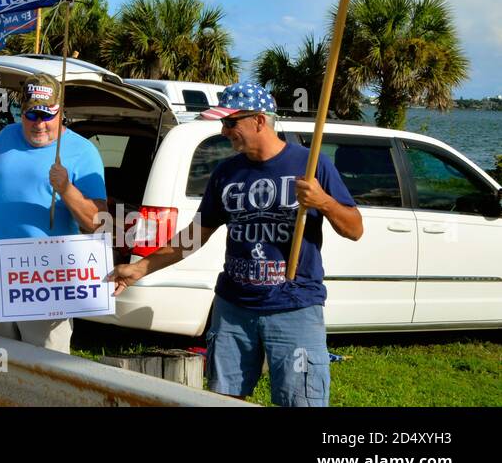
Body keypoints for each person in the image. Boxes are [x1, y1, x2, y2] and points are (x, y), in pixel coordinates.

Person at [109, 82, 363, 406]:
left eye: (231, 122)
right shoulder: (226, 173)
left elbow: (355, 229)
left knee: (301, 400)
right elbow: (196, 235)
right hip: (233, 309)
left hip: (295, 306)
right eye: (223, 123)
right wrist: (140, 268)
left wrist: (323, 201)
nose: (224, 131)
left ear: (259, 120)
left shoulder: (312, 165)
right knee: (224, 400)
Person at [0, 73, 107, 353]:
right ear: (21, 112)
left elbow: (99, 223)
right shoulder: (6, 137)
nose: (39, 123)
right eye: (31, 114)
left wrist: (66, 189)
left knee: (44, 367)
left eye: (46, 115)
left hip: (47, 281)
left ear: (60, 112)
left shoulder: (83, 151)